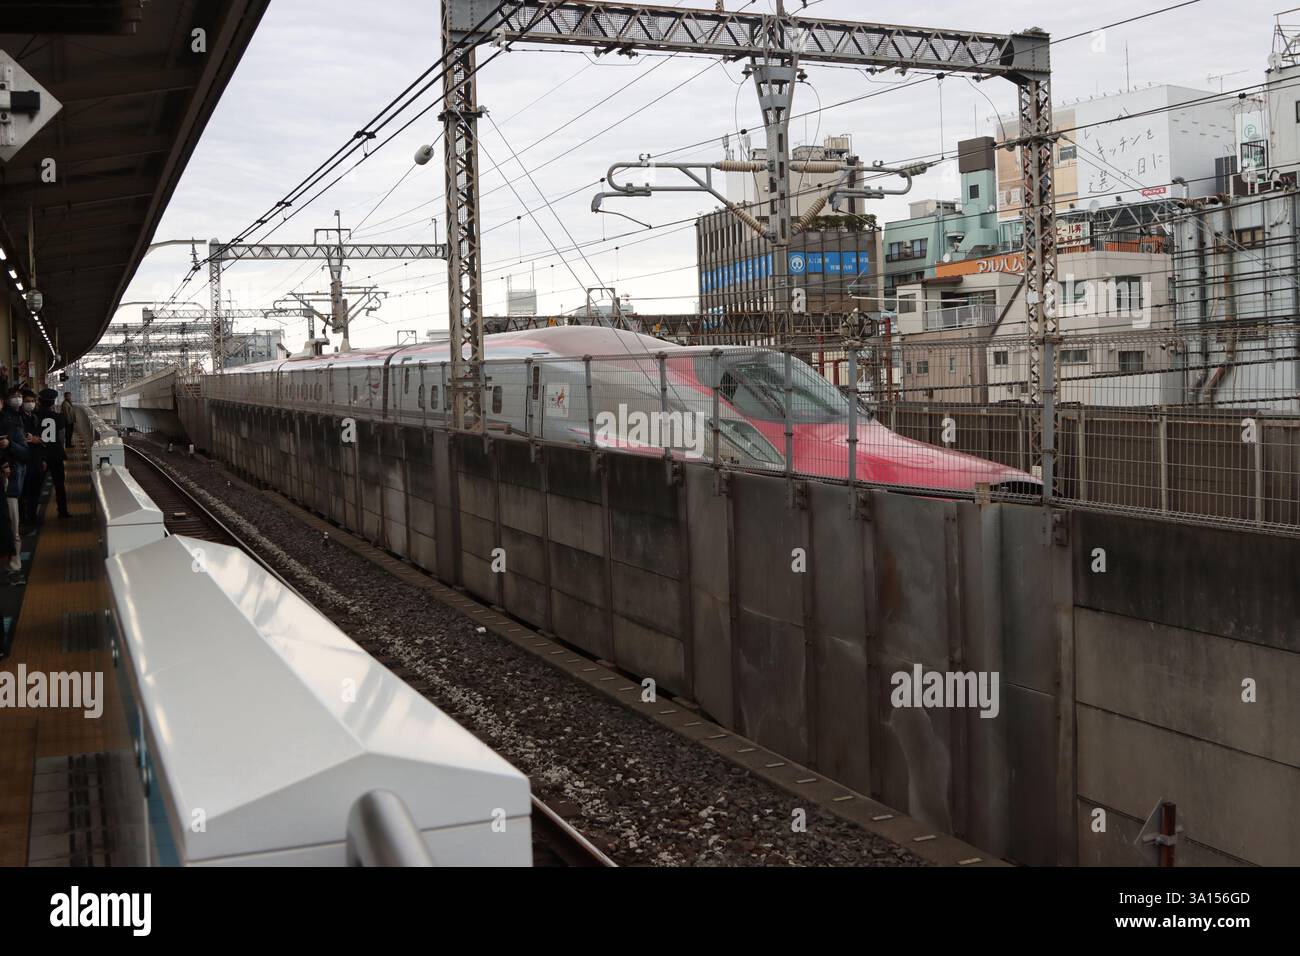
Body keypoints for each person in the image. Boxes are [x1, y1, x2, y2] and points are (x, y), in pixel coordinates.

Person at [0, 389, 30, 582]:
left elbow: (25, 455)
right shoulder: (13, 422)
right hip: (8, 483)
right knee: (10, 526)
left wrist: (9, 445)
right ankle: (13, 567)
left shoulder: (12, 424)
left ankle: (14, 566)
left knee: (11, 526)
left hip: (9, 485)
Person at [36, 389, 69, 518]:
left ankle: (33, 514)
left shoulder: (35, 416)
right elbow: (62, 436)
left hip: (40, 454)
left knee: (37, 484)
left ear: (39, 401)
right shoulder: (58, 417)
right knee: (59, 484)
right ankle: (63, 511)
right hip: (56, 454)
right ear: (53, 402)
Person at [18, 388, 43, 530]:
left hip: (36, 459)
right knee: (24, 492)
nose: (30, 404)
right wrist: (31, 440)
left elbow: (39, 439)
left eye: (32, 401)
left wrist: (42, 460)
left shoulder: (34, 417)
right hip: (24, 460)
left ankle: (33, 517)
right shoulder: (18, 418)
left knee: (35, 490)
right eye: (27, 401)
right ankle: (24, 520)